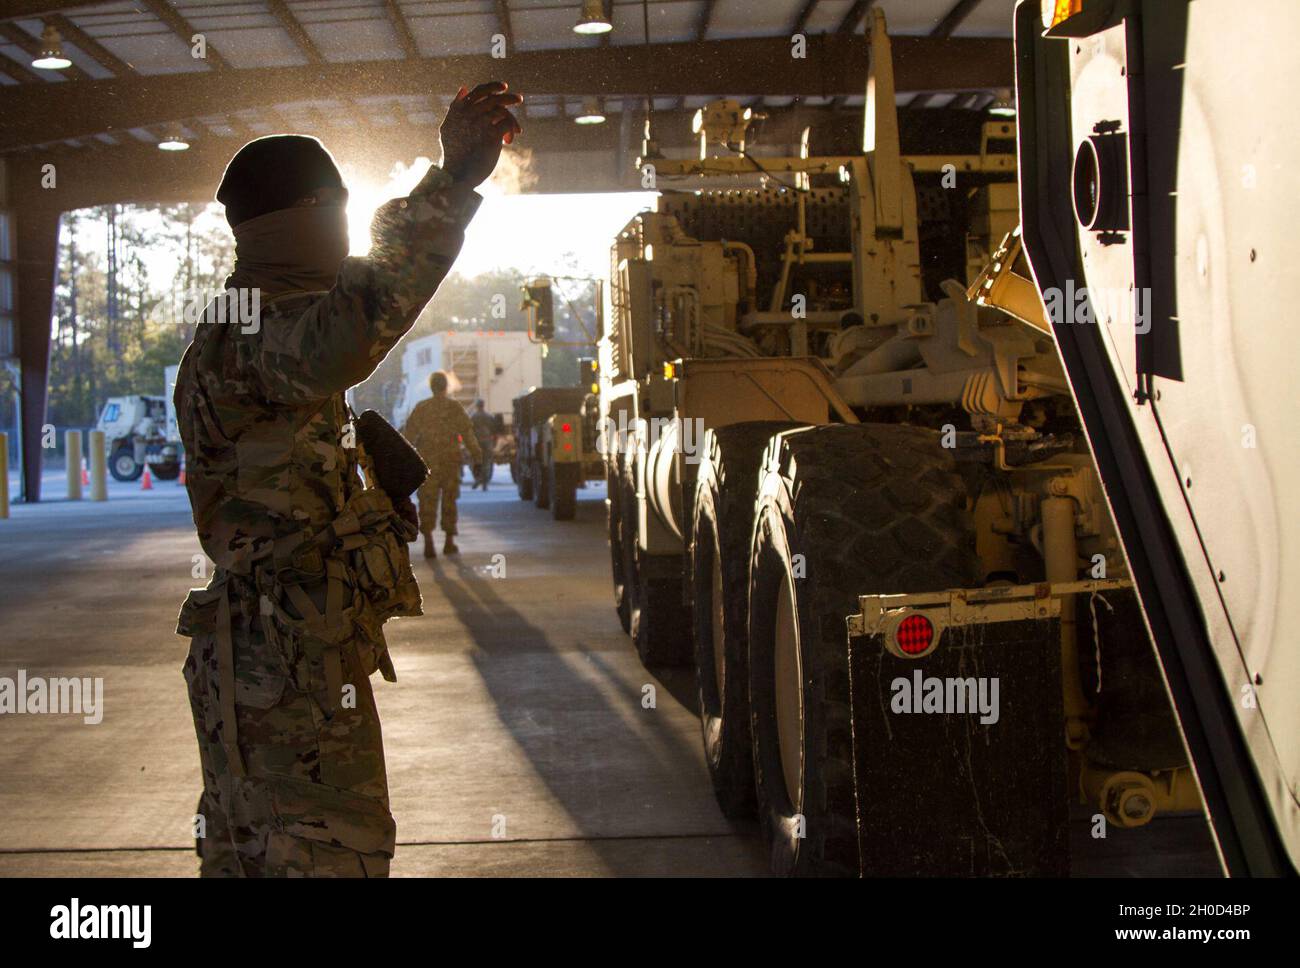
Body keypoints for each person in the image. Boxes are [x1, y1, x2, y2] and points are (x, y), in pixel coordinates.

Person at [173, 82, 522, 877]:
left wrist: (364, 502)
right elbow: (346, 332)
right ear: (306, 216)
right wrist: (451, 184)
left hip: (283, 655)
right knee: (327, 858)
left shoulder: (254, 320)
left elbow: (275, 481)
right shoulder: (251, 325)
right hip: (280, 672)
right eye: (335, 210)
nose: (342, 230)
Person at [402, 372, 481, 557]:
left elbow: (408, 437)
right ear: (445, 387)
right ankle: (448, 542)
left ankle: (428, 543)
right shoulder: (454, 407)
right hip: (450, 463)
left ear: (431, 387)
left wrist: (405, 462)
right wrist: (477, 457)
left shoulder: (421, 408)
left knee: (427, 501)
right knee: (449, 501)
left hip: (427, 464)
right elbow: (468, 435)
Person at [469, 398, 497, 489]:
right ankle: (484, 483)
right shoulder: (489, 416)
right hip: (487, 442)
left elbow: (470, 430)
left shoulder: (473, 417)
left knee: (476, 462)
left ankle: (478, 479)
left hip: (477, 442)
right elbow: (494, 430)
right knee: (486, 462)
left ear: (477, 406)